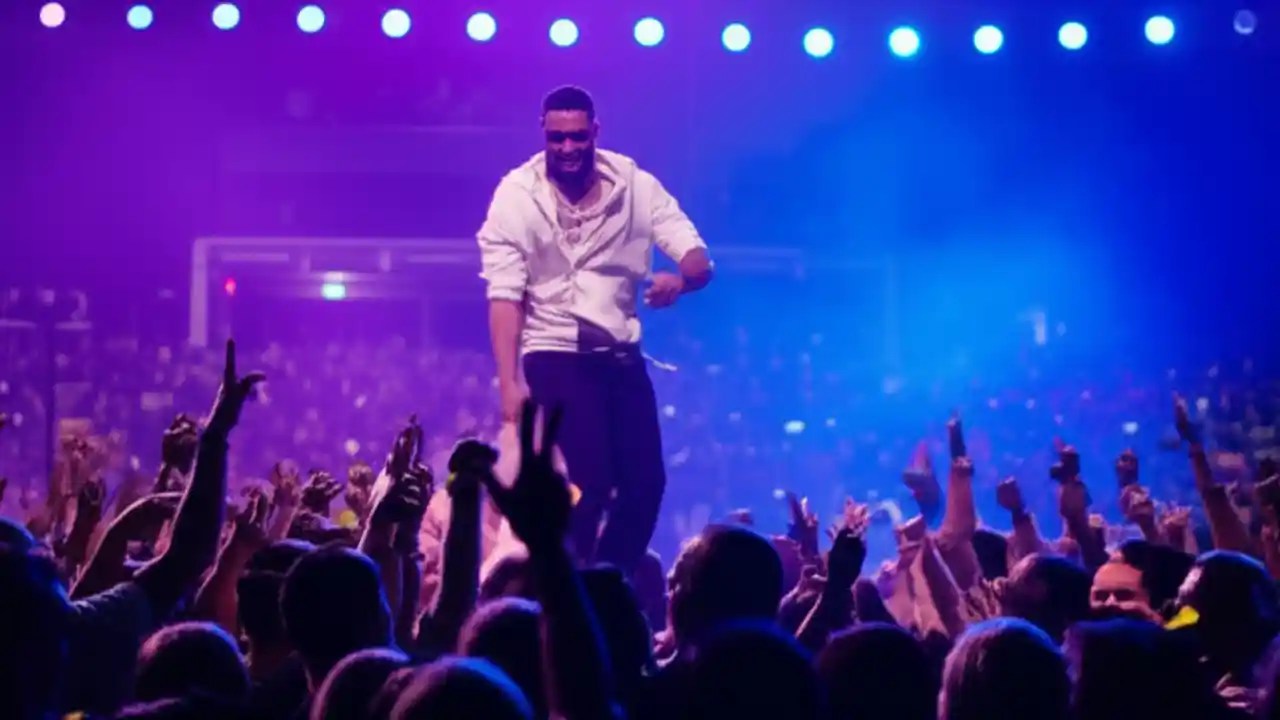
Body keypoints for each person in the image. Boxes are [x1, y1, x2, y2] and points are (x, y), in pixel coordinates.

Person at [476, 84, 714, 571]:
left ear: (595, 132)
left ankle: (605, 582)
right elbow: (505, 296)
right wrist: (509, 382)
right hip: (554, 353)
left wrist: (680, 282)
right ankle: (567, 584)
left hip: (620, 357)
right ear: (543, 132)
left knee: (647, 486)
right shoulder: (516, 196)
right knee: (594, 481)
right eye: (557, 138)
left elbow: (698, 257)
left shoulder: (634, 186)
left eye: (577, 137)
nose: (567, 148)